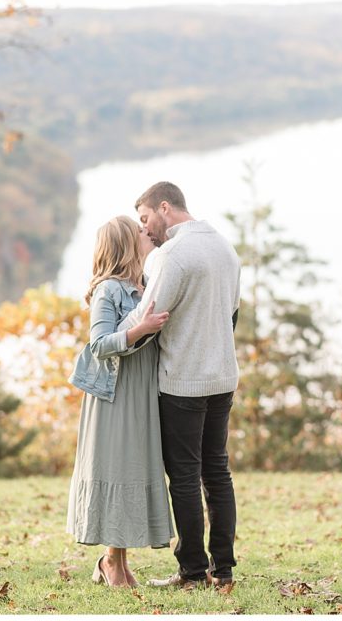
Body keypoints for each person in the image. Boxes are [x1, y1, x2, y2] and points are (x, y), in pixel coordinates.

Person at [116, 182, 241, 589]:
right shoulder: (225, 247)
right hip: (223, 377)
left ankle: (191, 572)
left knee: (185, 476)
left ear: (165, 208)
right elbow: (232, 314)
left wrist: (108, 335)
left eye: (146, 219)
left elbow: (146, 317)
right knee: (217, 472)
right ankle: (222, 569)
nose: (146, 229)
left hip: (183, 381)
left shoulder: (171, 256)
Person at [66, 215, 175, 588]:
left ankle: (116, 561)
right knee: (116, 469)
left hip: (140, 391)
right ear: (128, 245)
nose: (149, 236)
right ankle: (112, 561)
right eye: (142, 233)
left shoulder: (144, 285)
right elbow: (99, 344)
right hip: (115, 395)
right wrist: (139, 329)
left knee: (131, 469)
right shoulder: (108, 290)